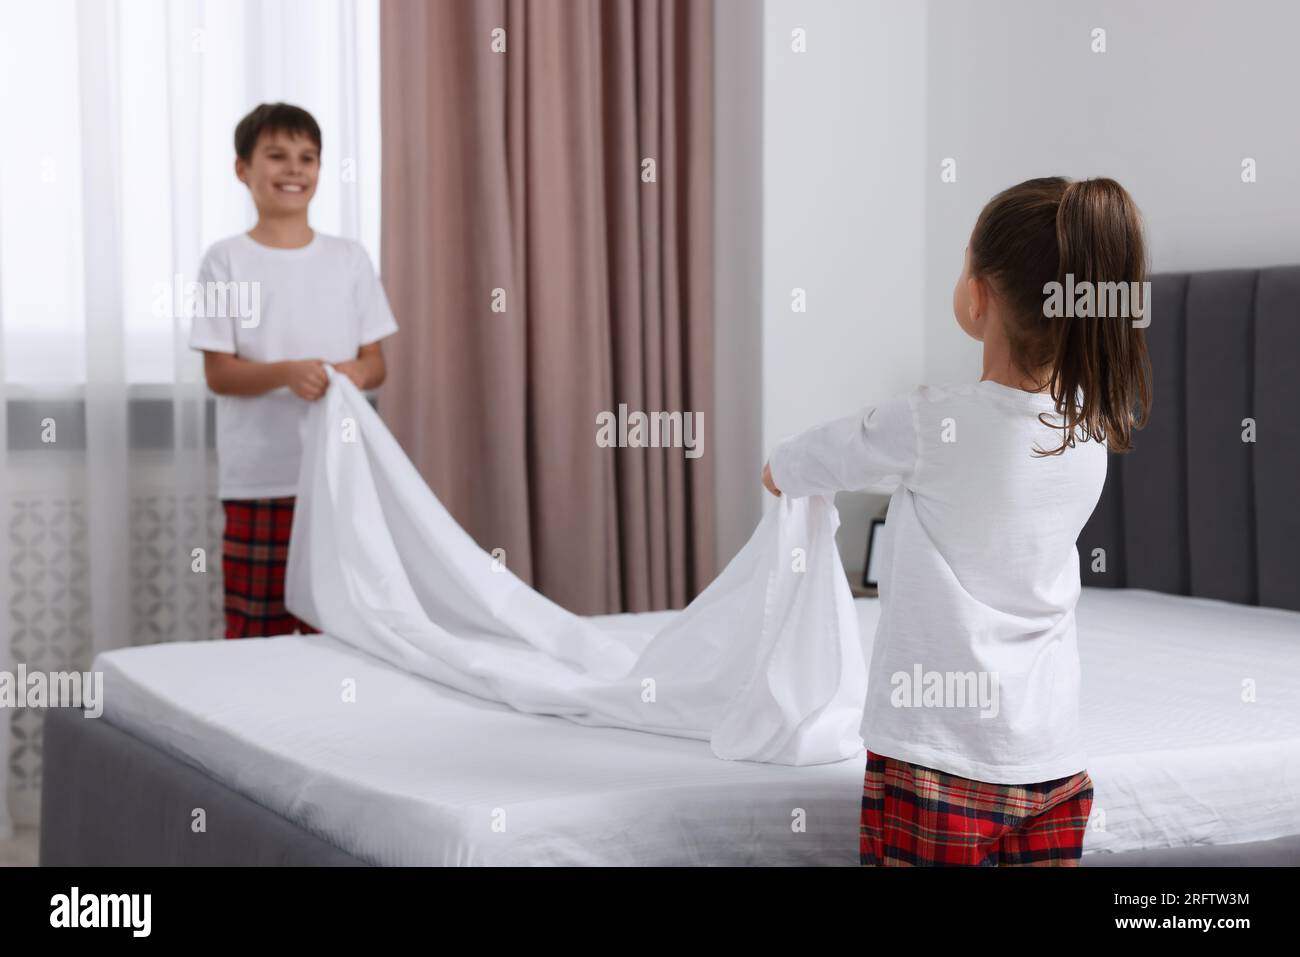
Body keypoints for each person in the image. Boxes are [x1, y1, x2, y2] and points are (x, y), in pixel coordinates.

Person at [763, 177, 1152, 866]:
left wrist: (780, 470)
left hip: (935, 762)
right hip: (1052, 762)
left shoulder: (929, 422)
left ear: (980, 295)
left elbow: (820, 455)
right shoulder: (1089, 430)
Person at [190, 102, 398, 639]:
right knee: (258, 627)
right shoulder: (225, 260)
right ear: (243, 169)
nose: (294, 170)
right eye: (277, 156)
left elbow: (376, 364)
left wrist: (353, 372)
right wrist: (285, 373)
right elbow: (220, 374)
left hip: (338, 475)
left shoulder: (349, 258)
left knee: (345, 625)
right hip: (261, 478)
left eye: (307, 158)